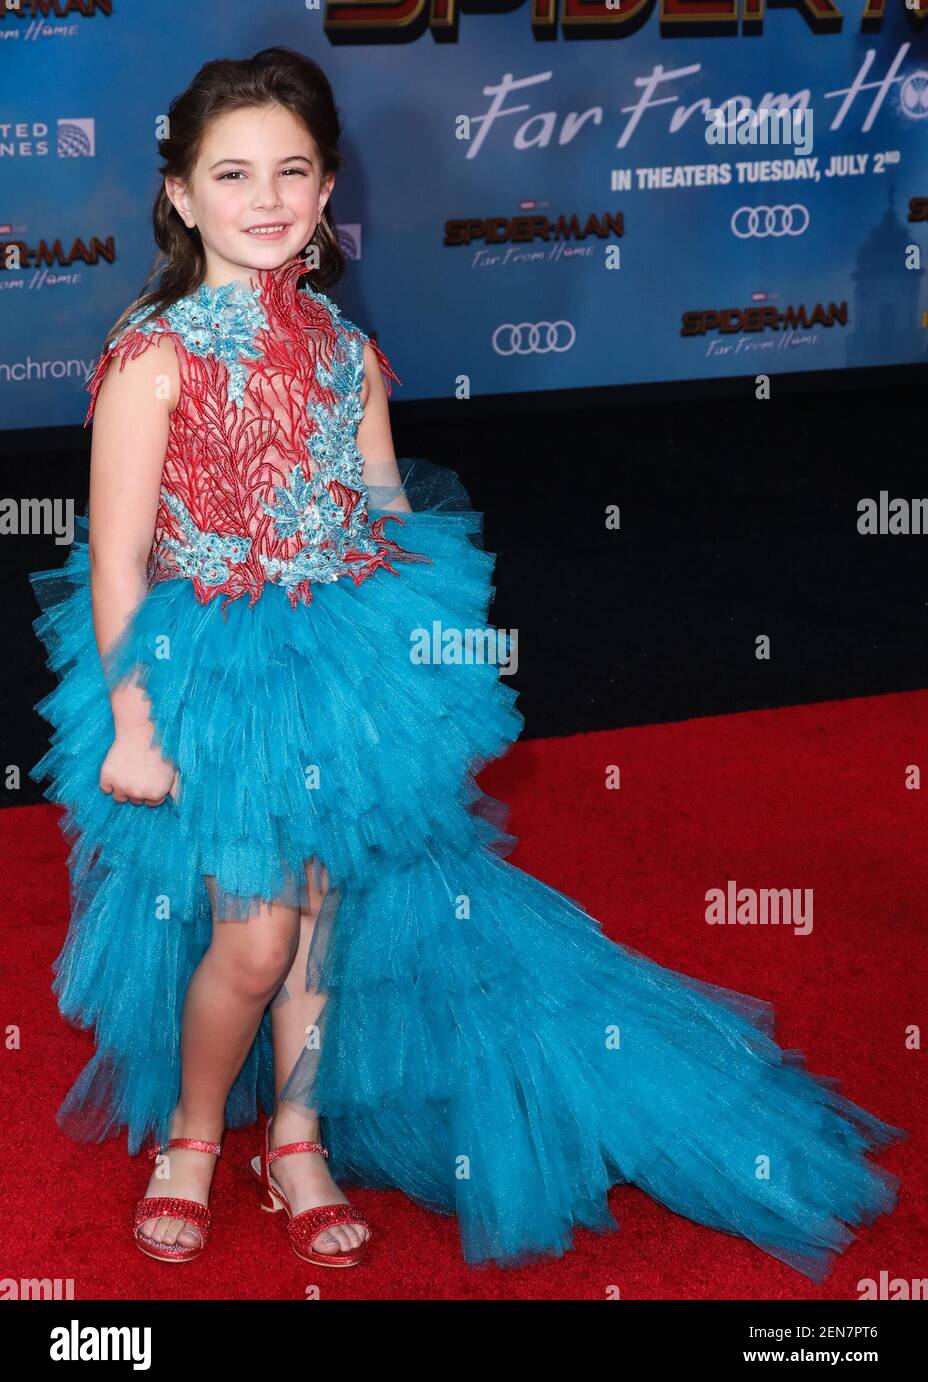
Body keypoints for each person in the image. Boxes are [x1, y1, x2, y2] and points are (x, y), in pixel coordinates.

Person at [29, 46, 905, 1278]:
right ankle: (187, 1135)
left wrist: (410, 665)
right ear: (179, 196)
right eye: (232, 174)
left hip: (343, 660)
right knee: (253, 939)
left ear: (329, 190)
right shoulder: (152, 358)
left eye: (292, 169)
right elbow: (115, 560)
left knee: (326, 925)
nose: (266, 197)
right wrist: (130, 722)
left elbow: (390, 512)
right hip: (210, 676)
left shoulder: (343, 351)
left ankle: (293, 1136)